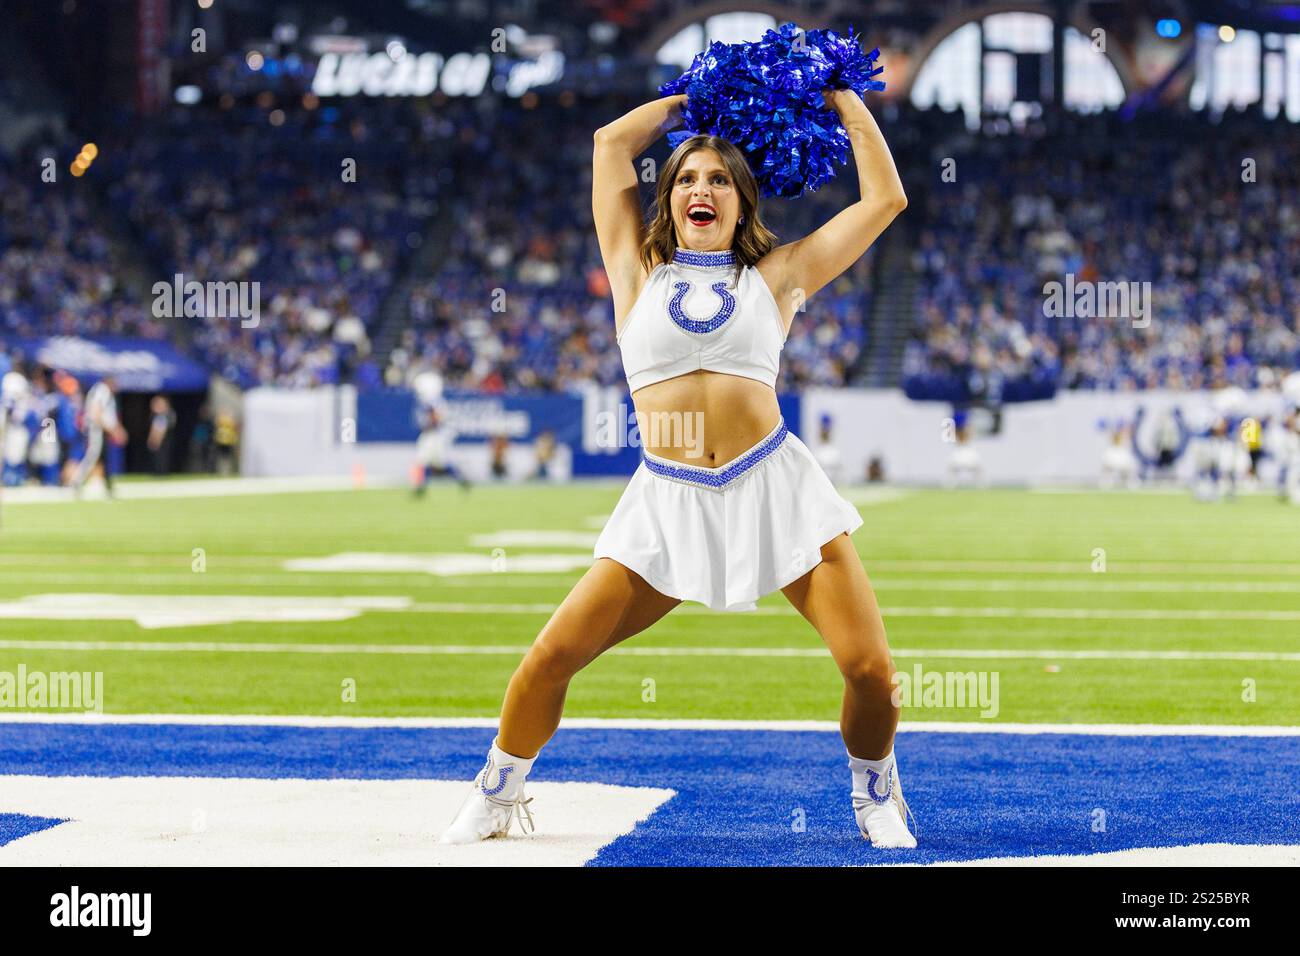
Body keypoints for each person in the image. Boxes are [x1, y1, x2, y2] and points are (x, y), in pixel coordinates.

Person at [441, 88, 915, 849]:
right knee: (552, 656)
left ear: (741, 201)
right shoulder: (635, 271)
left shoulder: (780, 276)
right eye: (689, 177)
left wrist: (839, 96)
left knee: (869, 667)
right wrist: (703, 94)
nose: (703, 189)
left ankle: (876, 791)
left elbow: (885, 197)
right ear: (669, 197)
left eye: (721, 179)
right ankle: (498, 788)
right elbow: (607, 143)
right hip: (668, 499)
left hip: (773, 486)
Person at [71, 375, 126, 498]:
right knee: (93, 455)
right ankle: (76, 481)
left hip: (100, 428)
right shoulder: (102, 390)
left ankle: (108, 485)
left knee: (103, 458)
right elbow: (96, 412)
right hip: (96, 429)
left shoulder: (103, 392)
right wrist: (112, 430)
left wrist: (115, 429)